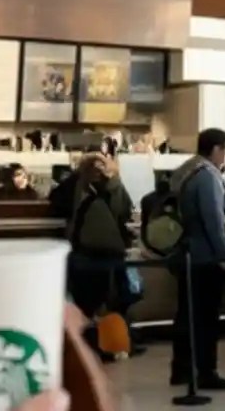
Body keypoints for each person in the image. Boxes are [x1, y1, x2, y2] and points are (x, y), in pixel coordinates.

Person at [168, 128, 225, 391]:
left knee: (186, 315)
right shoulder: (208, 177)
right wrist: (224, 255)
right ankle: (207, 371)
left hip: (185, 252)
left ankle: (181, 368)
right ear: (216, 149)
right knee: (207, 317)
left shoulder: (186, 171)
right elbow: (214, 221)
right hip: (205, 256)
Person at [68, 153, 140, 358]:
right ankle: (113, 346)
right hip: (107, 252)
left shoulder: (82, 187)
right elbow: (125, 211)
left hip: (89, 253)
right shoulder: (110, 187)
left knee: (94, 304)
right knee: (109, 302)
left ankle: (100, 346)